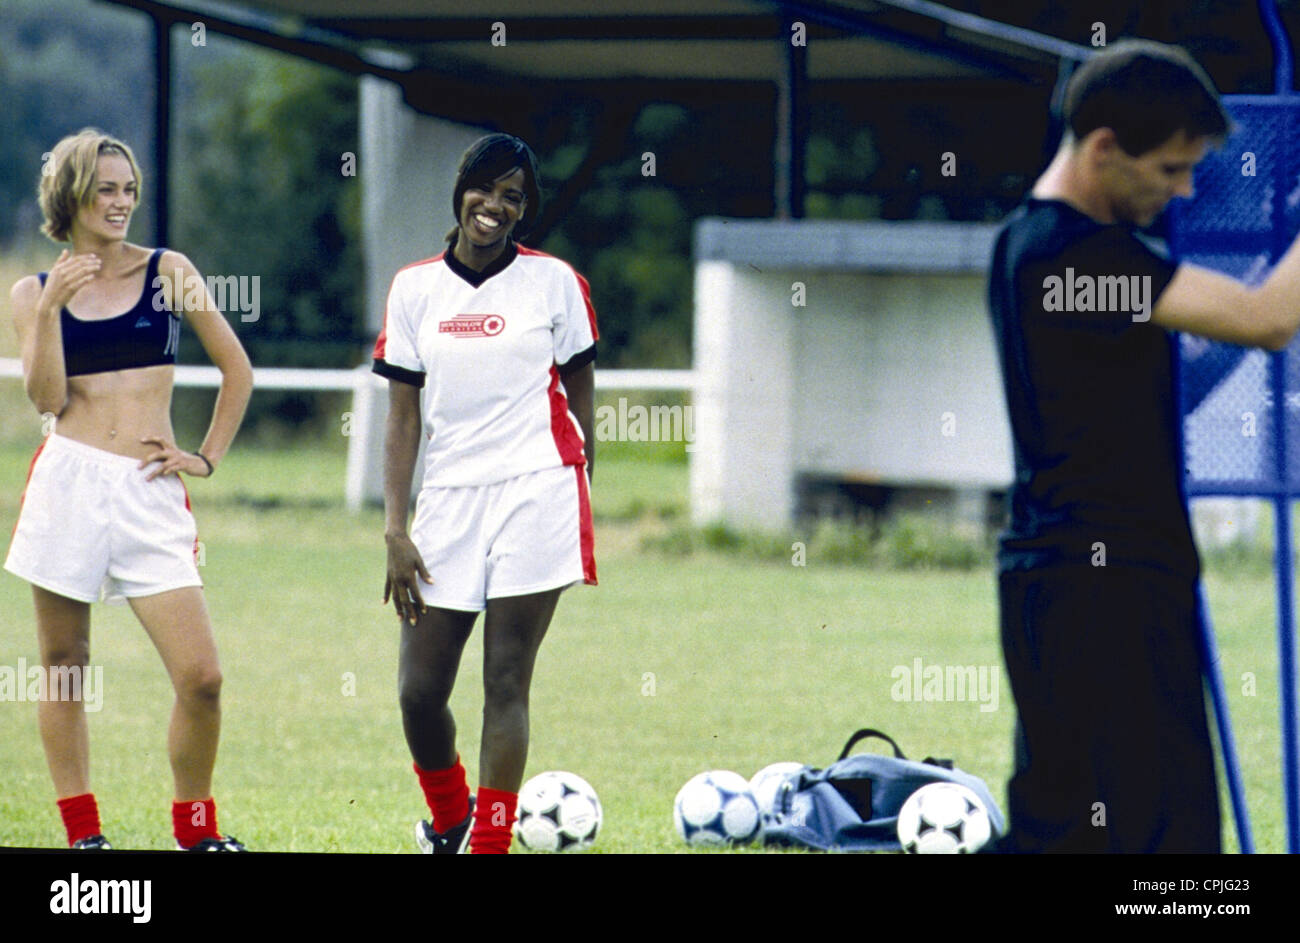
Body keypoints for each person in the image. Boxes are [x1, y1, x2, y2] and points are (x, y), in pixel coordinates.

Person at [989, 39, 1300, 852]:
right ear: (1102, 149)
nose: (1185, 189)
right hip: (1110, 590)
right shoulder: (1077, 259)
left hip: (1061, 584)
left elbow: (1199, 364)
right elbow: (1266, 318)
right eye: (1169, 169)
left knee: (1069, 832)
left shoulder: (1025, 245)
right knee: (1166, 846)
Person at [6, 129, 254, 850]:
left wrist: (204, 457)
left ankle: (196, 829)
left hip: (149, 490)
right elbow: (48, 398)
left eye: (128, 189)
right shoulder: (32, 292)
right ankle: (85, 837)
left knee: (202, 676)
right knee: (62, 667)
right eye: (106, 189)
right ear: (72, 195)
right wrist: (51, 310)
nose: (121, 203)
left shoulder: (169, 271)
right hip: (67, 486)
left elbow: (237, 370)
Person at [373, 133, 597, 855]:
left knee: (505, 677)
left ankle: (489, 845)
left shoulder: (554, 282)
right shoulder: (414, 288)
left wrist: (577, 473)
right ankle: (450, 819)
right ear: (460, 189)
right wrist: (395, 527)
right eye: (485, 188)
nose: (494, 206)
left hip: (538, 489)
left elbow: (582, 385)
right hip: (448, 501)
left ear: (525, 210)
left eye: (513, 196)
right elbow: (403, 416)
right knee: (419, 691)